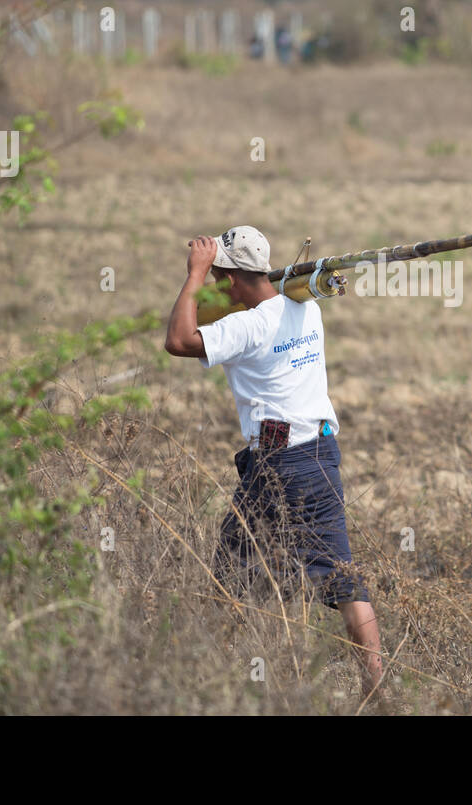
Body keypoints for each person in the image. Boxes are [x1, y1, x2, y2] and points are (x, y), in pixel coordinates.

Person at [163, 225, 384, 695]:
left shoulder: (245, 327)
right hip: (322, 453)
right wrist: (227, 280)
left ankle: (213, 678)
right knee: (341, 573)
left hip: (279, 466)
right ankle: (375, 684)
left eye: (218, 274)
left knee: (228, 572)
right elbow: (267, 297)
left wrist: (195, 275)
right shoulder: (308, 308)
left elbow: (179, 341)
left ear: (229, 278)